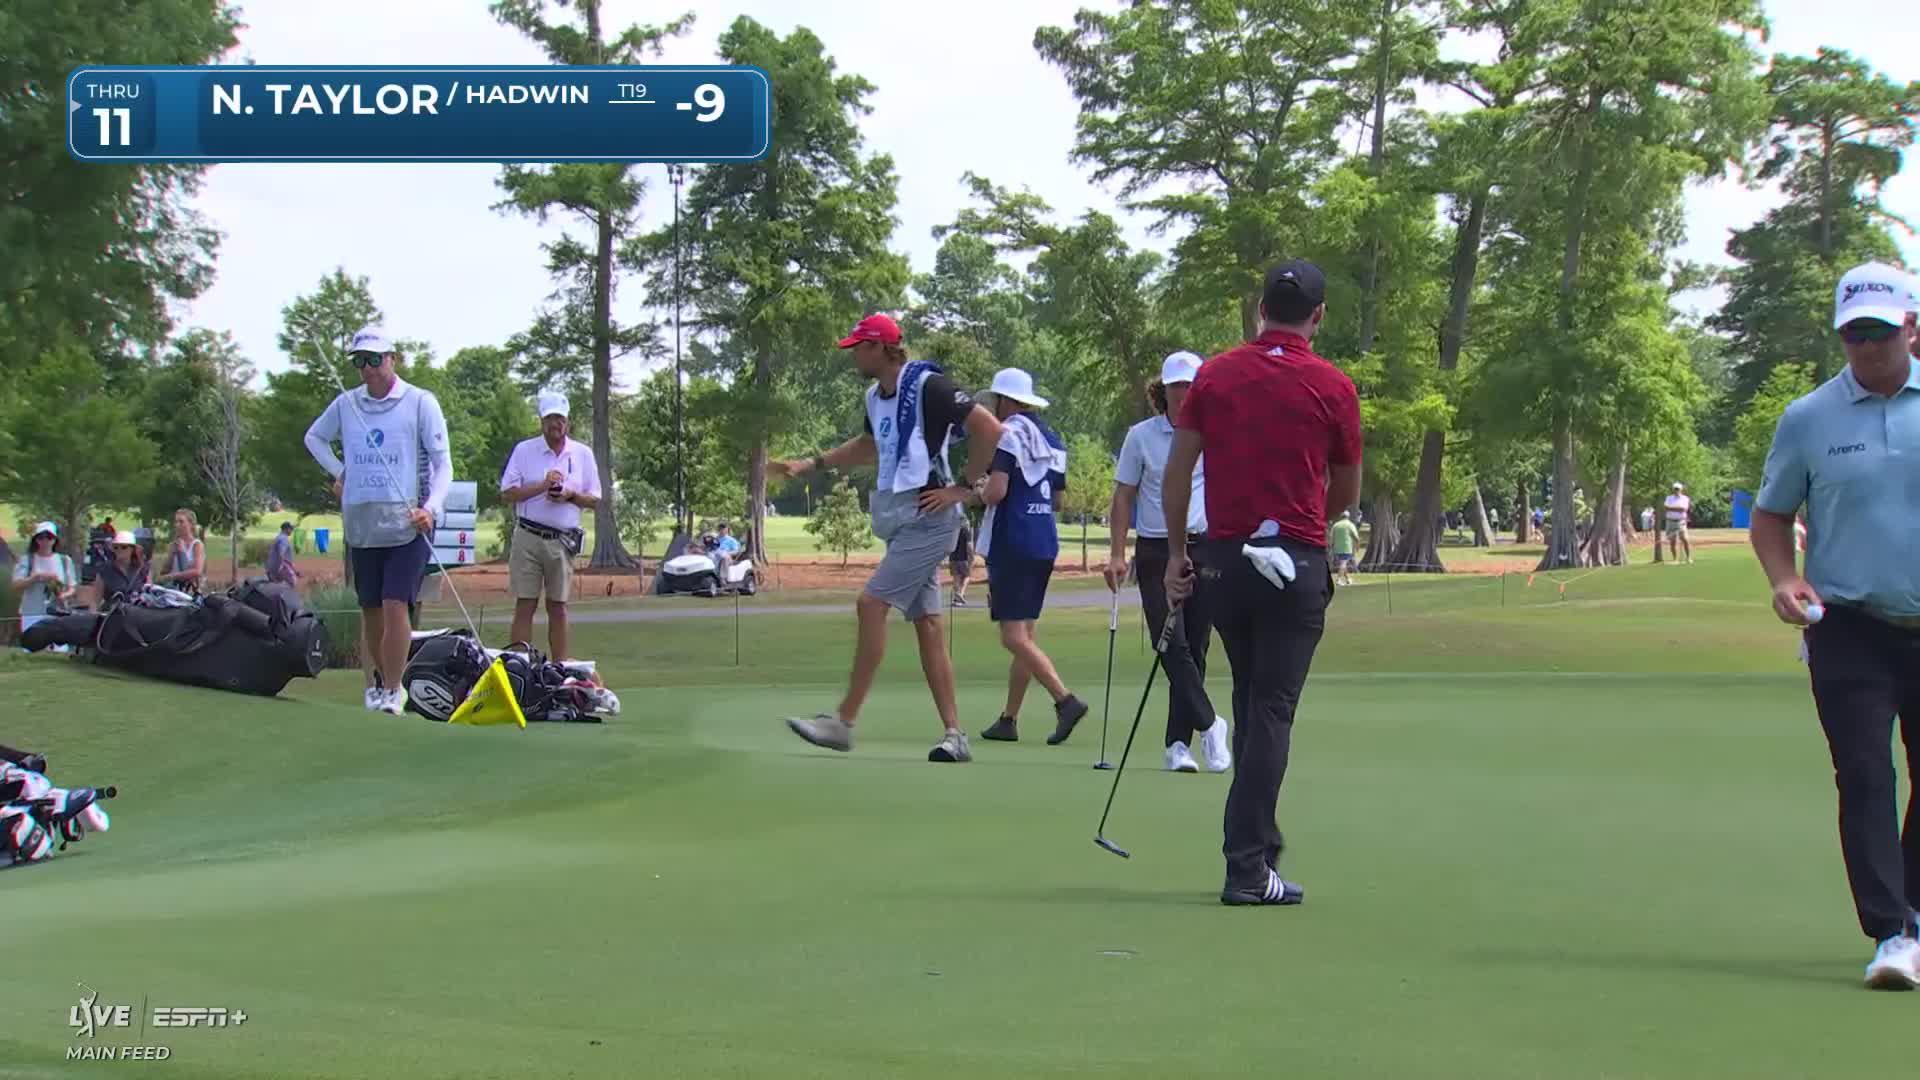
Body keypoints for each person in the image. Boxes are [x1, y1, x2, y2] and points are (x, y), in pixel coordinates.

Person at [1162, 259, 1362, 907]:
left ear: (1259, 309)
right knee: (1272, 711)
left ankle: (1261, 849)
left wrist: (1174, 555)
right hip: (1294, 561)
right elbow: (1348, 491)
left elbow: (1177, 472)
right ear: (1319, 315)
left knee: (1251, 700)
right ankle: (1246, 866)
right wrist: (1305, 524)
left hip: (1220, 560)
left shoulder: (1214, 376)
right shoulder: (1333, 386)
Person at [1751, 261, 1920, 989]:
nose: (1868, 347)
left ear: (1911, 326)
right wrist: (1785, 578)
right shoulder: (1809, 418)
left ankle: (1913, 913)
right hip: (1848, 623)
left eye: (1880, 332)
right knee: (1863, 773)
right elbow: (1771, 515)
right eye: (1855, 334)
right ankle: (1890, 932)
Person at [773, 313, 1001, 763]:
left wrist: (968, 487)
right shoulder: (877, 397)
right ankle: (956, 736)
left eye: (859, 347)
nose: (853, 354)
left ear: (881, 348)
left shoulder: (930, 386)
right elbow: (869, 446)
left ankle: (843, 722)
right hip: (904, 521)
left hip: (931, 519)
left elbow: (990, 428)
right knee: (930, 629)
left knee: (871, 603)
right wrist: (811, 463)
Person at [304, 326, 451, 716]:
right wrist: (341, 472)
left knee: (394, 603)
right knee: (370, 607)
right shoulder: (347, 404)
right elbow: (314, 438)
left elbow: (443, 465)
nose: (367, 369)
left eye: (374, 359)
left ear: (392, 359)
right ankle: (373, 686)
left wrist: (431, 508)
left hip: (409, 521)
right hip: (363, 523)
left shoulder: (420, 402)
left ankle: (393, 688)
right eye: (359, 361)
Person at [1106, 354, 1231, 773]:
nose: (1183, 394)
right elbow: (1124, 495)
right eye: (1176, 387)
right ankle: (1211, 724)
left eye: (1190, 386)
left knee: (1195, 646)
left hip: (1205, 547)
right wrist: (1118, 553)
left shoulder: (1217, 433)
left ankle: (1178, 745)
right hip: (1157, 549)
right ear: (1164, 391)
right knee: (1168, 641)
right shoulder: (1141, 436)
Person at [973, 367, 1089, 746]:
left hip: (1012, 542)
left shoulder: (1008, 436)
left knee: (1012, 637)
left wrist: (978, 489)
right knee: (1026, 635)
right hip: (1043, 541)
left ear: (1007, 402)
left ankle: (1065, 700)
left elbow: (997, 492)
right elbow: (1057, 499)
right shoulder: (1053, 440)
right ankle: (1008, 720)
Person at [500, 390, 599, 662]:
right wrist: (542, 486)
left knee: (558, 606)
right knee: (525, 603)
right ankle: (518, 666)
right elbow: (508, 492)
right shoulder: (525, 450)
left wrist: (570, 495)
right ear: (541, 422)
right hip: (528, 536)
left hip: (562, 541)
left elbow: (594, 499)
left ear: (567, 422)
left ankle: (560, 667)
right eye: (550, 418)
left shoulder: (582, 454)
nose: (555, 424)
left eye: (560, 419)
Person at [10, 522, 78, 636]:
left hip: (57, 613)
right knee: (32, 646)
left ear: (55, 540)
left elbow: (72, 587)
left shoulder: (64, 560)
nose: (45, 541)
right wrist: (34, 578)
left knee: (57, 649)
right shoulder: (27, 560)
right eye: (41, 537)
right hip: (32, 612)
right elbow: (15, 584)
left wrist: (64, 595)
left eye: (49, 537)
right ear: (36, 540)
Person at [91, 530, 148, 609]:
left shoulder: (142, 569)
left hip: (137, 616)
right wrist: (93, 619)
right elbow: (95, 601)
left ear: (132, 549)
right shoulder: (104, 569)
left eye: (124, 547)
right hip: (112, 616)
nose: (119, 550)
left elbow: (150, 596)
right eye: (115, 547)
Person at [156, 509, 206, 594]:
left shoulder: (196, 545)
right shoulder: (174, 544)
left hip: (189, 591)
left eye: (181, 522)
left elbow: (197, 571)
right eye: (176, 522)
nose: (177, 525)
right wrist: (171, 556)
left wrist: (172, 576)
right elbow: (164, 572)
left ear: (191, 524)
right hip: (173, 589)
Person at [948, 514, 975, 607]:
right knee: (967, 576)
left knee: (956, 578)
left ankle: (956, 600)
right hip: (963, 559)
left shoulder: (952, 531)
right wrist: (972, 557)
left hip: (952, 558)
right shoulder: (966, 531)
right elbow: (969, 546)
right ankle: (961, 593)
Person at [1663, 482, 1694, 563]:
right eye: (1675, 489)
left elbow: (1684, 509)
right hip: (1670, 521)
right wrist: (1677, 508)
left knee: (1685, 539)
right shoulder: (1669, 498)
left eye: (1678, 489)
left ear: (1681, 489)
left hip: (1681, 521)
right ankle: (1675, 559)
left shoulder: (1685, 498)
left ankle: (1688, 558)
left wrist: (1671, 508)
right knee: (1672, 541)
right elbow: (1666, 508)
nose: (1676, 490)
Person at [1328, 510, 1359, 587]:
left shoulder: (1336, 525)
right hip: (1346, 548)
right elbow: (1356, 537)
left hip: (1337, 548)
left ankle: (1348, 579)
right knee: (1343, 564)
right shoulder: (1350, 525)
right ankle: (1338, 580)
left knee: (1343, 563)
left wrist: (1331, 546)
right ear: (1348, 517)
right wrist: (1357, 546)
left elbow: (1331, 537)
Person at [265, 522, 300, 587]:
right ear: (286, 529)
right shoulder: (283, 539)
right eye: (291, 529)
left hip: (273, 568)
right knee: (292, 583)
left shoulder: (279, 537)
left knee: (277, 588)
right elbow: (281, 554)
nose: (292, 531)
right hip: (279, 568)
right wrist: (286, 569)